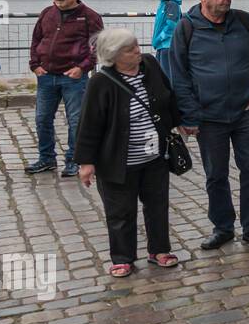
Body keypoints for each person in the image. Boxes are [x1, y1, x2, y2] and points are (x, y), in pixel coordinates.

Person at [170, 0, 249, 250]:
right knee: (215, 175)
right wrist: (188, 115)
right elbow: (179, 76)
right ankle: (223, 227)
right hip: (209, 118)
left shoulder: (243, 22)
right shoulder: (186, 28)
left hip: (245, 113)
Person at [75, 28, 182, 277]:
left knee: (157, 205)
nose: (137, 51)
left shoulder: (150, 65)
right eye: (130, 48)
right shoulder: (101, 82)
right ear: (114, 55)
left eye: (136, 45)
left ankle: (159, 250)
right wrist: (86, 163)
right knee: (120, 212)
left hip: (155, 155)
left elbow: (168, 96)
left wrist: (180, 122)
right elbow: (90, 123)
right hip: (118, 161)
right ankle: (122, 257)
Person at [27, 0, 103, 177]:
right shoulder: (47, 13)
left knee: (76, 121)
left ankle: (74, 160)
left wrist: (82, 68)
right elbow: (36, 39)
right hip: (46, 76)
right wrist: (35, 65)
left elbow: (97, 48)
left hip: (73, 78)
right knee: (42, 119)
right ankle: (46, 158)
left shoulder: (90, 17)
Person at [150, 0, 183, 81]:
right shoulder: (163, 4)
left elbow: (170, 26)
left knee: (167, 77)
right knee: (160, 76)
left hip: (167, 46)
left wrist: (158, 39)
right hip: (161, 46)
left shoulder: (171, 4)